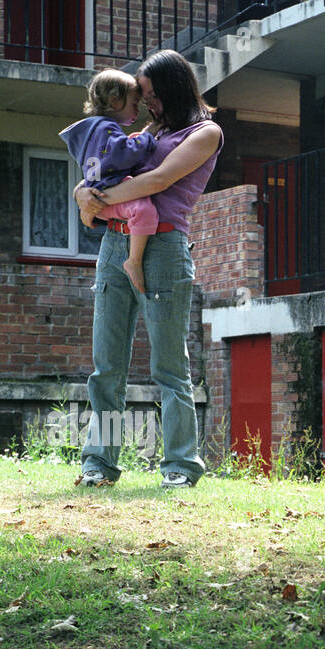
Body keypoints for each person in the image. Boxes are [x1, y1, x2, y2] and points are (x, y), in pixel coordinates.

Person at [72, 49, 223, 490]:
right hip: (115, 243)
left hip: (164, 248)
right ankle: (100, 462)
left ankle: (180, 464)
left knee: (170, 367)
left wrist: (95, 198)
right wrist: (85, 192)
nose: (146, 103)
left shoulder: (205, 133)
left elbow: (156, 182)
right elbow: (103, 170)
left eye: (152, 95)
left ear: (174, 89)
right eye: (142, 95)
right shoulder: (150, 131)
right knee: (107, 365)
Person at [59, 69, 158, 294]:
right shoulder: (106, 128)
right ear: (115, 100)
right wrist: (148, 138)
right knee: (145, 210)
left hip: (99, 198)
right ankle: (134, 260)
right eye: (134, 104)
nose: (138, 110)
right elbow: (122, 155)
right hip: (107, 197)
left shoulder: (90, 130)